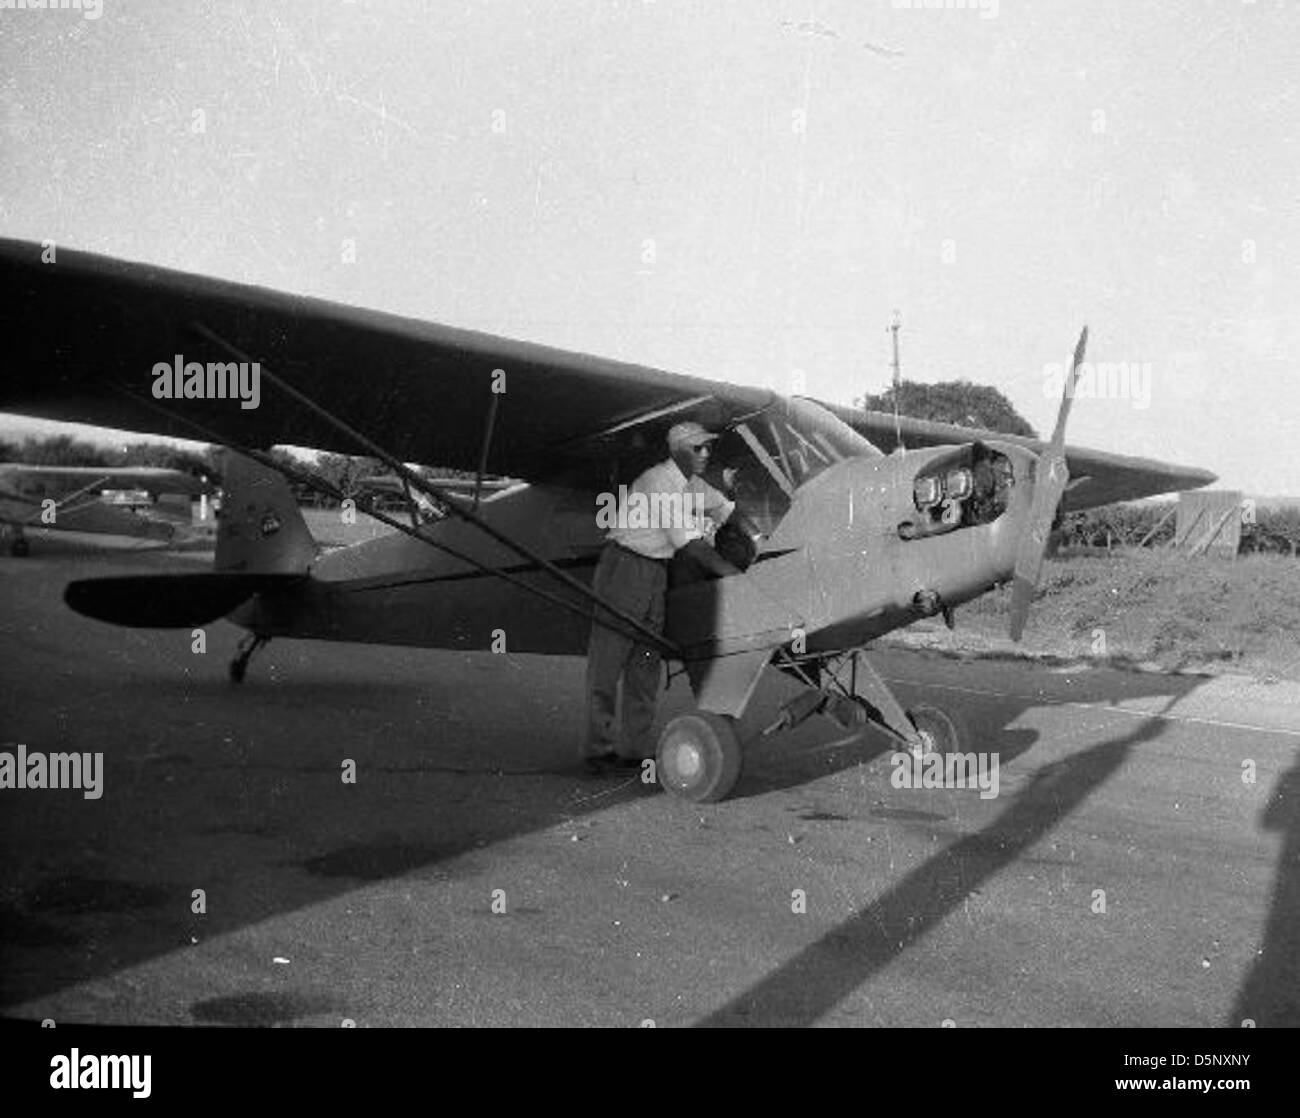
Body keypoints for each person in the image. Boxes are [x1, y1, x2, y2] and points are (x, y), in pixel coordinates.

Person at [582, 421, 738, 775]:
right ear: (677, 450)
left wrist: (753, 538)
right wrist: (738, 576)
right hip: (625, 567)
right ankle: (598, 749)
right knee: (608, 663)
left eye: (708, 447)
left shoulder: (692, 486)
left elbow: (726, 511)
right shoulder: (658, 482)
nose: (705, 453)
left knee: (646, 664)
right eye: (697, 448)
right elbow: (693, 546)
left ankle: (634, 750)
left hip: (656, 572)